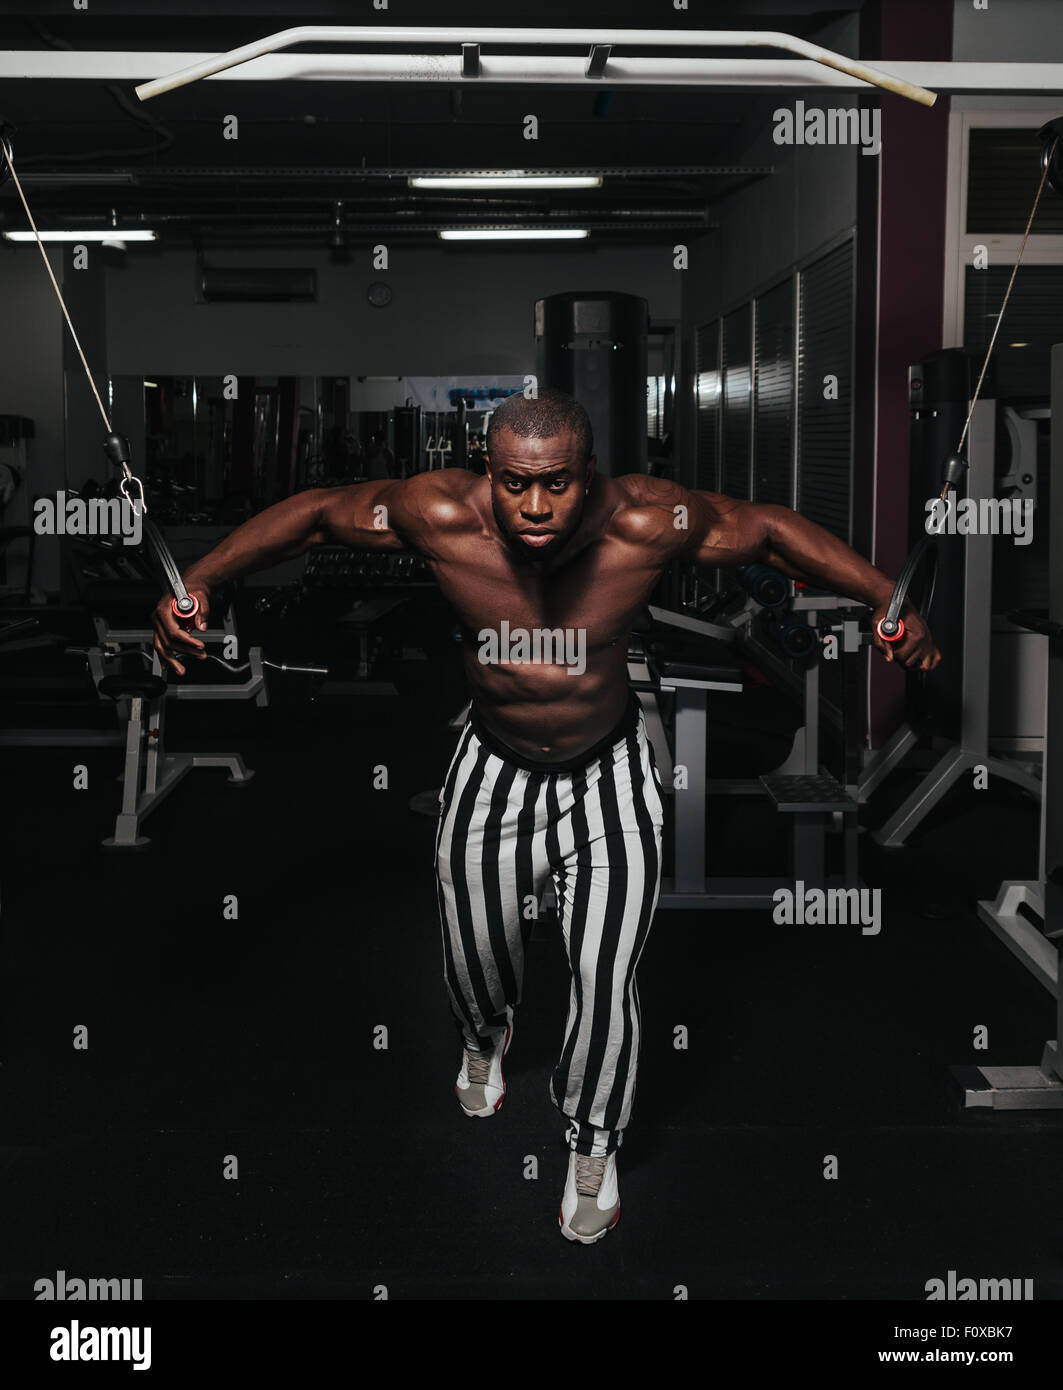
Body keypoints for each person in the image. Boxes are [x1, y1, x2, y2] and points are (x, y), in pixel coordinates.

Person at [152, 387, 939, 1245]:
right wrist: (198, 579)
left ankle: (592, 1143)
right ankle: (485, 1036)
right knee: (474, 951)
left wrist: (883, 600)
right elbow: (311, 517)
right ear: (485, 472)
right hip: (492, 766)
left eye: (557, 484)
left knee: (607, 979)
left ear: (589, 472)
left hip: (609, 775)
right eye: (515, 484)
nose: (534, 507)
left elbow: (769, 530)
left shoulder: (646, 521)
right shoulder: (438, 512)